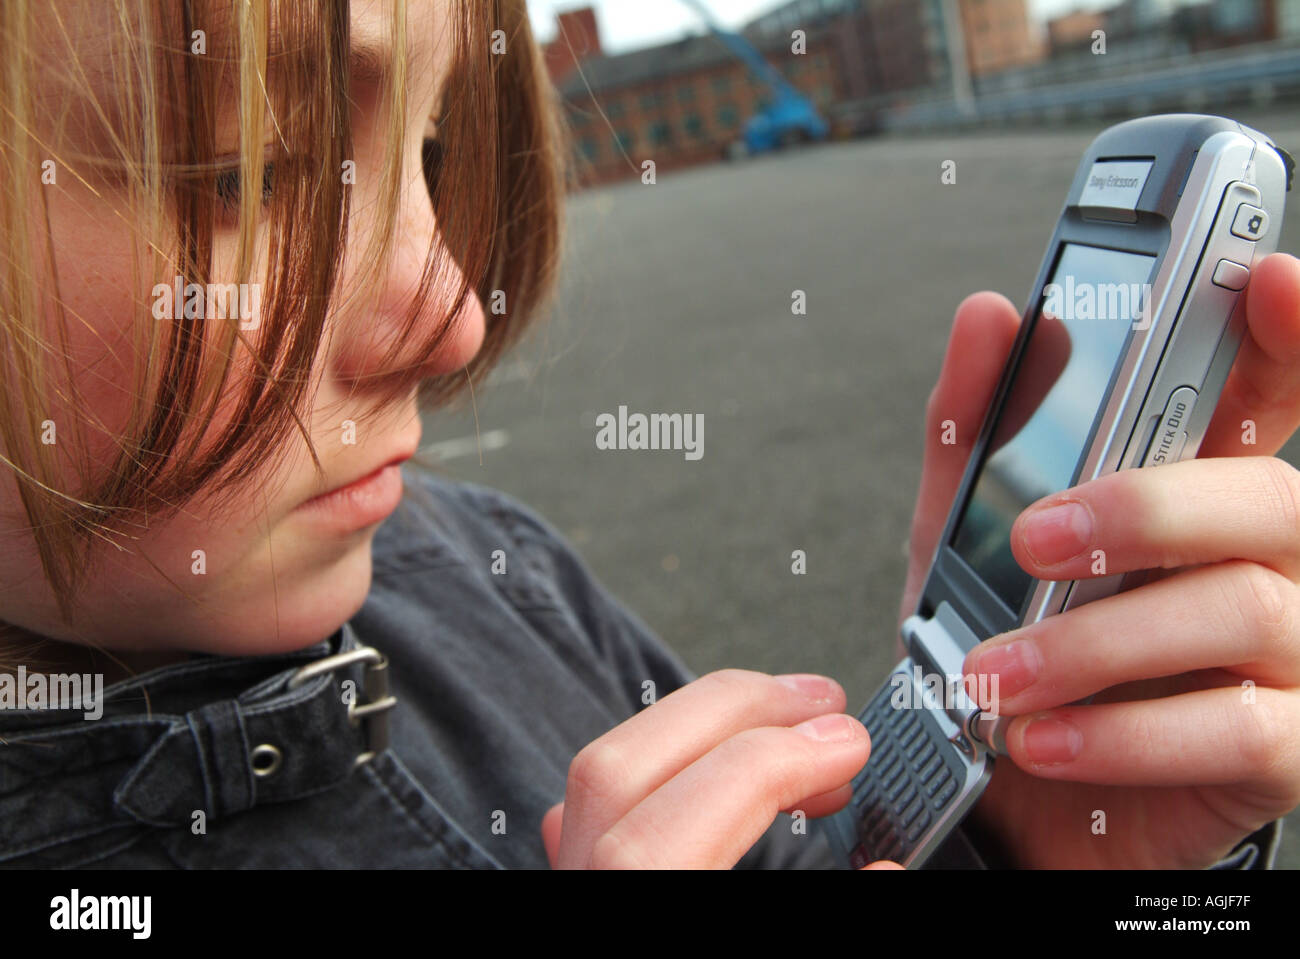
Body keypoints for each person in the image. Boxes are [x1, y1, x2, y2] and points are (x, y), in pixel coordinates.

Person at [1, 0, 1297, 870]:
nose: (455, 318)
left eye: (438, 148)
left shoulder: (482, 559)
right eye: (250, 169)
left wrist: (1010, 839)